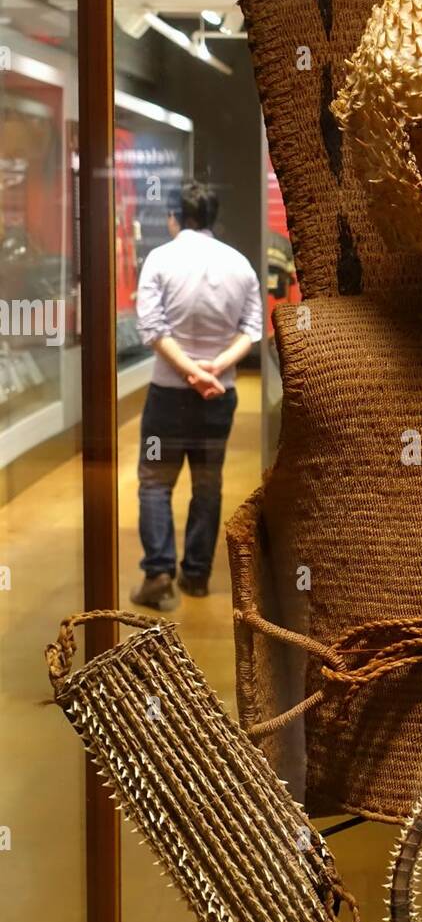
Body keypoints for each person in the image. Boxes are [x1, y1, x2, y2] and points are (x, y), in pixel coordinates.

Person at [131, 181, 263, 611]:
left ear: (174, 217)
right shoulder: (239, 264)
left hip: (167, 394)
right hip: (217, 396)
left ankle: (158, 575)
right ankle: (197, 576)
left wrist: (188, 371)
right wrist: (214, 369)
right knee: (207, 485)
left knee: (155, 481)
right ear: (211, 217)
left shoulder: (160, 259)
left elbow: (152, 330)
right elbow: (253, 329)